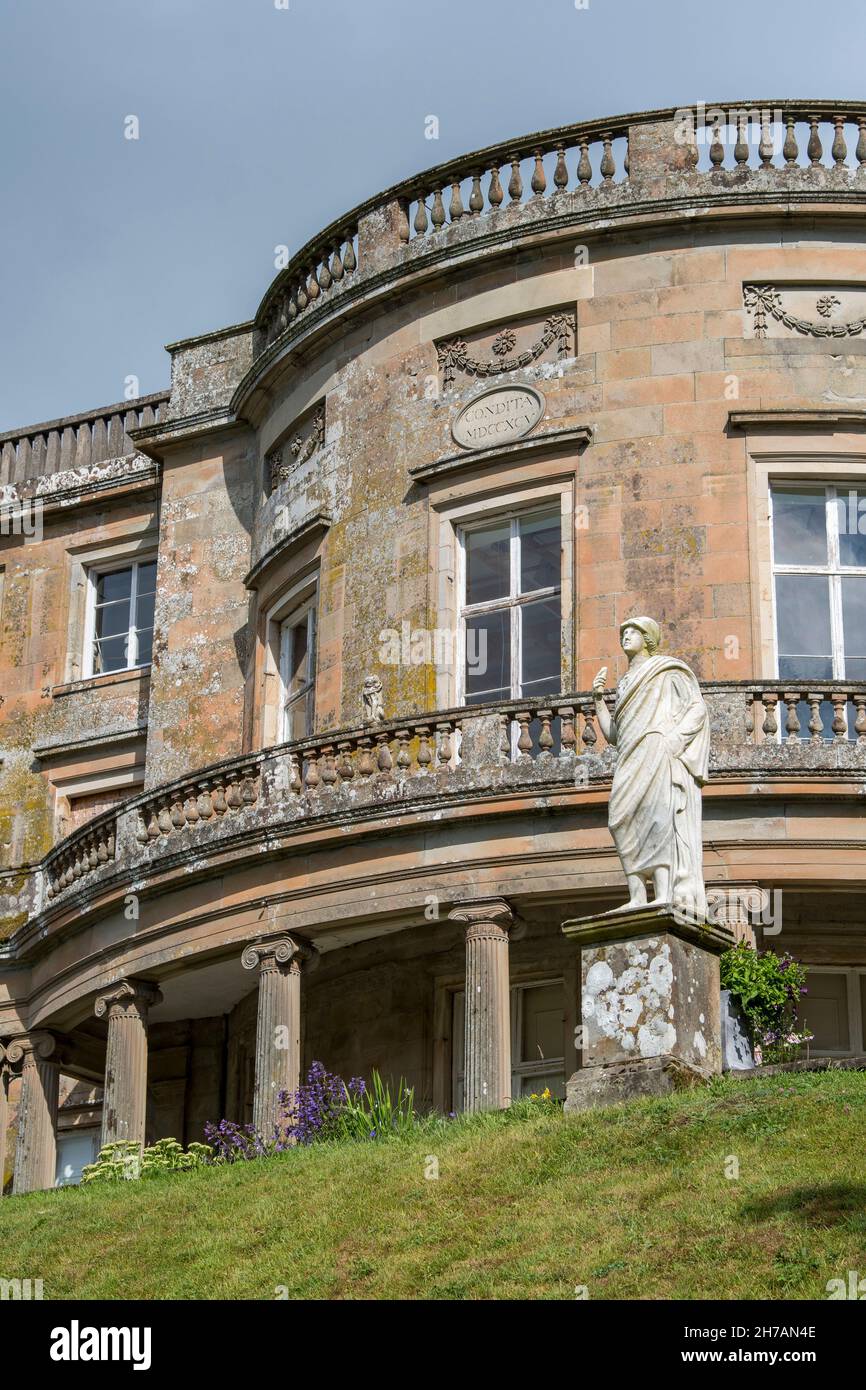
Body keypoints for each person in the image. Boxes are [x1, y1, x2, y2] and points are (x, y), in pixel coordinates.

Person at [593, 616, 710, 919]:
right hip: (630, 756)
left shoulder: (666, 670)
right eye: (624, 632)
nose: (626, 636)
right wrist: (598, 701)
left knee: (657, 817)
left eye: (633, 632)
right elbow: (615, 735)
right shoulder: (625, 682)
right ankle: (636, 896)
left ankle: (662, 894)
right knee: (620, 819)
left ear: (647, 637)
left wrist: (676, 739)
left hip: (657, 748)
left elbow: (697, 707)